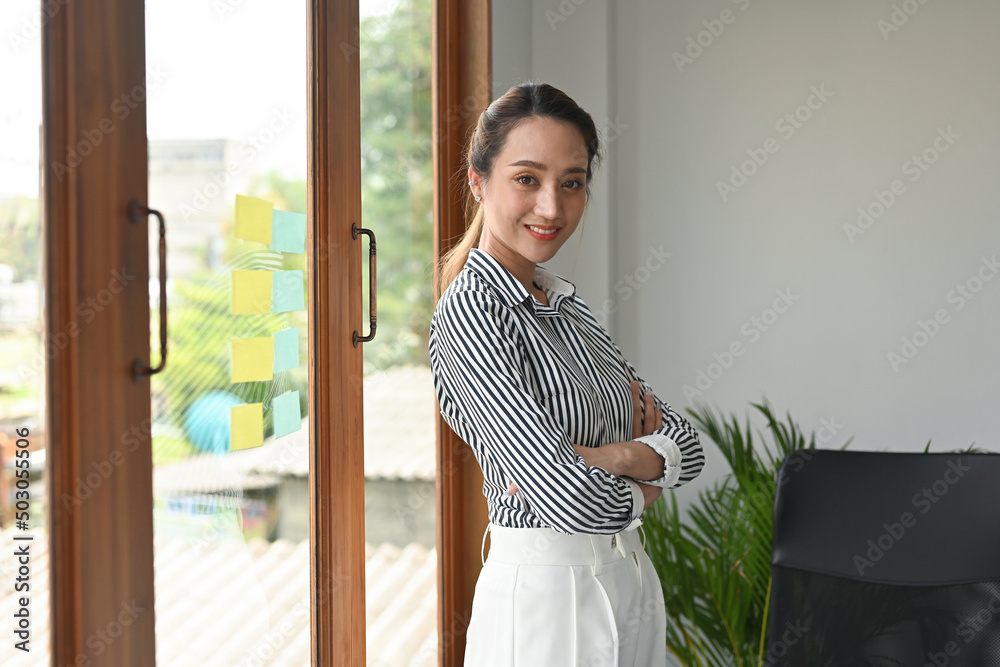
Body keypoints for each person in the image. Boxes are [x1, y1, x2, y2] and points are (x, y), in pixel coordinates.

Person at [428, 82, 705, 666]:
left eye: (571, 183)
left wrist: (619, 457)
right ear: (479, 181)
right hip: (549, 599)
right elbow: (569, 498)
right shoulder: (473, 312)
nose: (552, 207)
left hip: (629, 578)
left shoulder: (569, 310)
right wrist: (648, 475)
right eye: (527, 178)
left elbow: (687, 443)